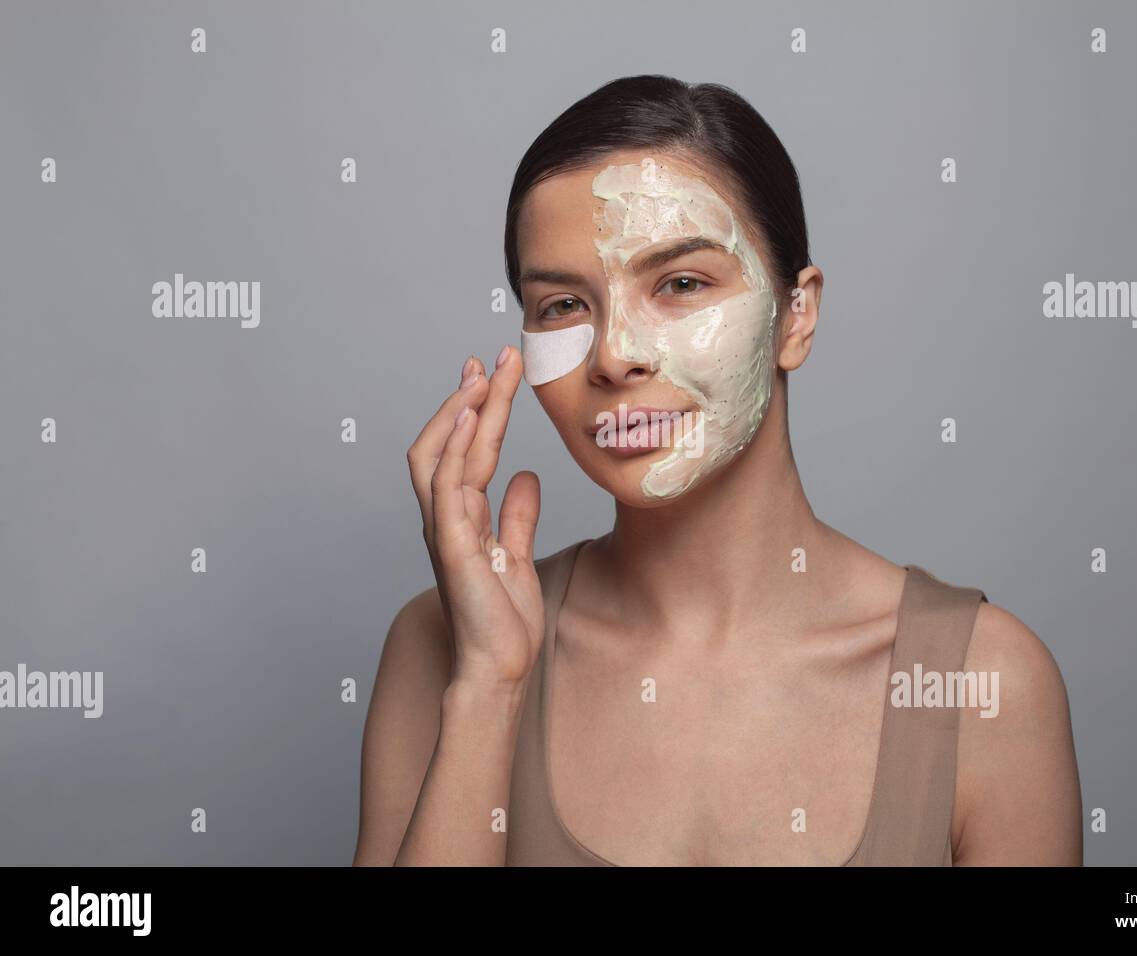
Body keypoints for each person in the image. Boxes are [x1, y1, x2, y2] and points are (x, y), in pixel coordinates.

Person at [353, 75, 1082, 866]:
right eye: (564, 305)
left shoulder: (984, 681)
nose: (614, 355)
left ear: (794, 317)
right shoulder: (441, 645)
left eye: (681, 283)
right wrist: (489, 689)